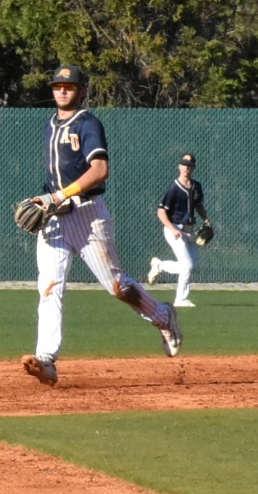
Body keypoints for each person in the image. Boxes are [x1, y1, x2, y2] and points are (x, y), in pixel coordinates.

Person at [19, 64, 181, 386]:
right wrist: (46, 199)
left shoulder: (88, 123)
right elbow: (56, 176)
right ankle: (46, 360)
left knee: (117, 286)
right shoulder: (49, 125)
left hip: (88, 214)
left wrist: (59, 195)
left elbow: (99, 170)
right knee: (49, 286)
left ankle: (163, 316)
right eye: (57, 85)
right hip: (55, 217)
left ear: (82, 91)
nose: (62, 90)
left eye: (69, 86)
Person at [147, 153, 208, 308]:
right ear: (179, 167)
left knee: (192, 266)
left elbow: (199, 205)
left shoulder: (196, 186)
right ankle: (180, 299)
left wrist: (207, 220)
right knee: (187, 266)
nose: (186, 167)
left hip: (190, 231)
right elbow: (161, 212)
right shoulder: (174, 188)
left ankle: (159, 266)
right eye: (184, 164)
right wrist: (172, 229)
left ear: (193, 168)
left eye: (189, 165)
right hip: (175, 229)